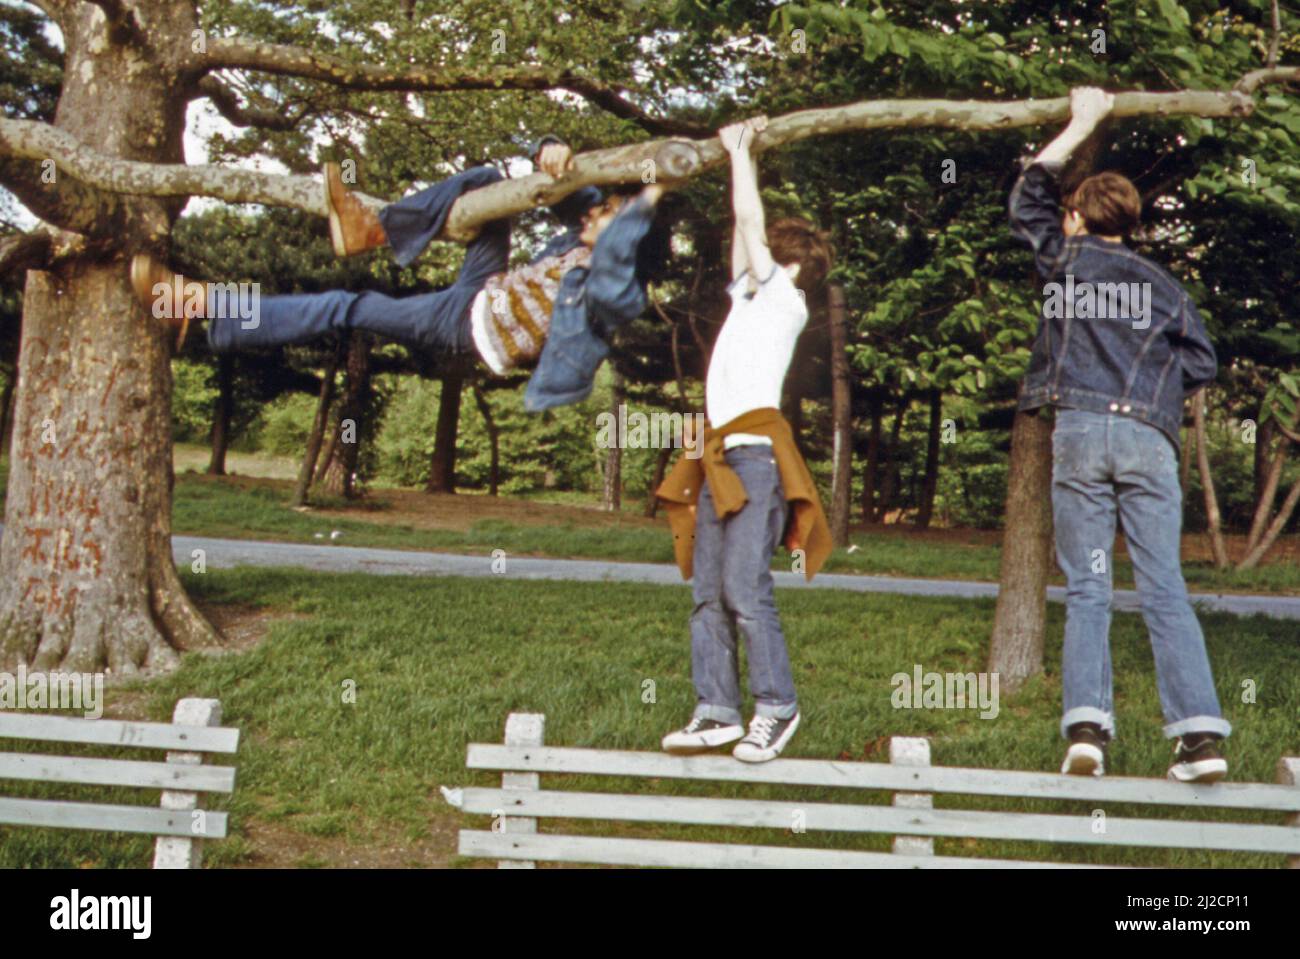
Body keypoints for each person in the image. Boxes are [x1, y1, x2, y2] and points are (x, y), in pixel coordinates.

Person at [1009, 87, 1228, 783]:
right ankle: (1200, 740)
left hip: (1078, 431)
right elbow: (1201, 361)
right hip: (1147, 440)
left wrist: (1081, 120)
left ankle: (1087, 731)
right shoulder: (1165, 286)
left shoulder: (1063, 261)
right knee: (1164, 584)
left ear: (1076, 218)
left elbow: (1026, 193)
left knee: (1089, 587)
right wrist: (1148, 399)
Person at [130, 137, 664, 412]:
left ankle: (202, 304)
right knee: (485, 181)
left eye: (608, 214)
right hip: (481, 290)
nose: (593, 215)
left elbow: (617, 258)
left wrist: (655, 191)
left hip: (467, 328)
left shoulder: (611, 284)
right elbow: (564, 178)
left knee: (347, 305)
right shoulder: (581, 238)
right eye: (599, 210)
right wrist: (549, 148)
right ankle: (374, 231)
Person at [656, 115, 833, 764]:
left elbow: (751, 224)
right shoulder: (750, 299)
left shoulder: (787, 301)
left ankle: (777, 706)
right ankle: (716, 711)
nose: (749, 261)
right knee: (706, 591)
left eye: (763, 255)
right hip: (720, 457)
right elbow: (743, 235)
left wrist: (740, 152)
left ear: (784, 265)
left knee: (743, 588)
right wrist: (738, 162)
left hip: (757, 461)